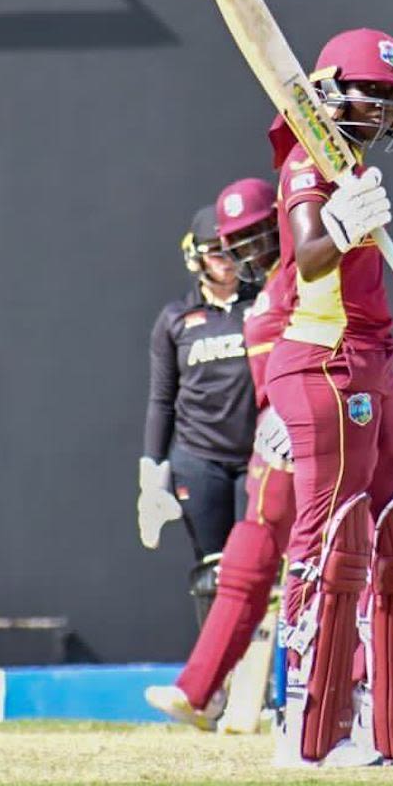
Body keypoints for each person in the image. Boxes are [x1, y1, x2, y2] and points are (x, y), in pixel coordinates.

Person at [266, 28, 393, 767]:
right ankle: (309, 729)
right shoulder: (303, 161)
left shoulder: (348, 164)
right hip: (324, 361)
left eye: (391, 96)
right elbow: (310, 253)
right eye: (370, 90)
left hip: (373, 358)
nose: (381, 106)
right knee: (331, 539)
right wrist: (344, 225)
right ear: (330, 91)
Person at [145, 178, 298, 730]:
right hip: (257, 457)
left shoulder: (306, 276)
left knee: (329, 571)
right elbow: (163, 397)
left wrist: (303, 409)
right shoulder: (187, 318)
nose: (247, 255)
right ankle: (205, 690)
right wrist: (151, 470)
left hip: (323, 443)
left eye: (260, 236)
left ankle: (341, 693)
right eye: (237, 243)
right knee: (236, 568)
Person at [137, 206, 258, 594]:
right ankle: (223, 655)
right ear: (196, 255)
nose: (227, 262)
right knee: (214, 573)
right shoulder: (176, 318)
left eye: (235, 250)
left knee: (260, 565)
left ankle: (272, 656)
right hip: (200, 459)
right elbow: (162, 399)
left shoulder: (266, 304)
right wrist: (152, 475)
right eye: (216, 252)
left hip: (258, 457)